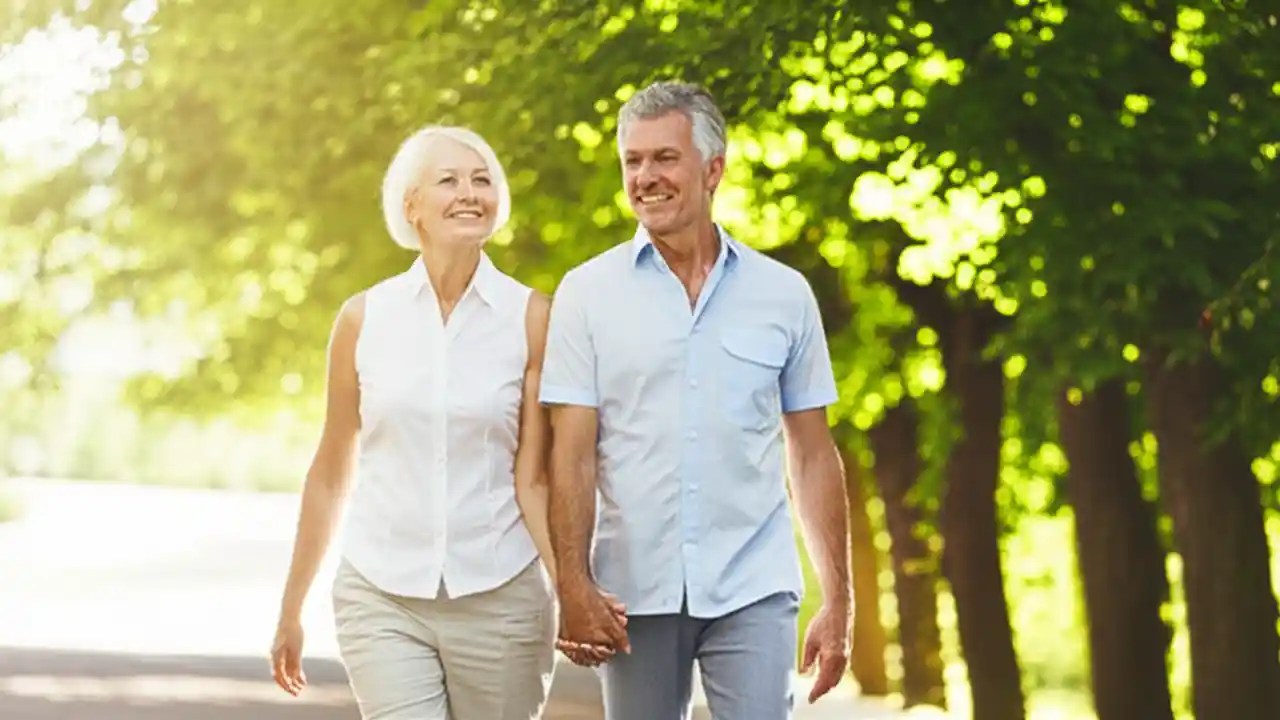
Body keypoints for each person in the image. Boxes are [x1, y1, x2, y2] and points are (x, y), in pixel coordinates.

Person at [540, 81, 853, 720]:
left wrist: (839, 600)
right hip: (634, 589)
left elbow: (813, 454)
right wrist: (572, 585)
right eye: (633, 161)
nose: (645, 178)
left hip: (754, 582)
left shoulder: (784, 295)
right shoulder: (585, 294)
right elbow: (571, 455)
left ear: (713, 170)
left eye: (664, 158)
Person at [268, 125, 568, 719]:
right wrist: (291, 607)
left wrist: (572, 589)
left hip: (501, 597)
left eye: (482, 180)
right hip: (381, 593)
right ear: (412, 207)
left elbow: (535, 478)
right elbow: (332, 470)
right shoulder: (363, 319)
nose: (469, 192)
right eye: (449, 180)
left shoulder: (532, 318)